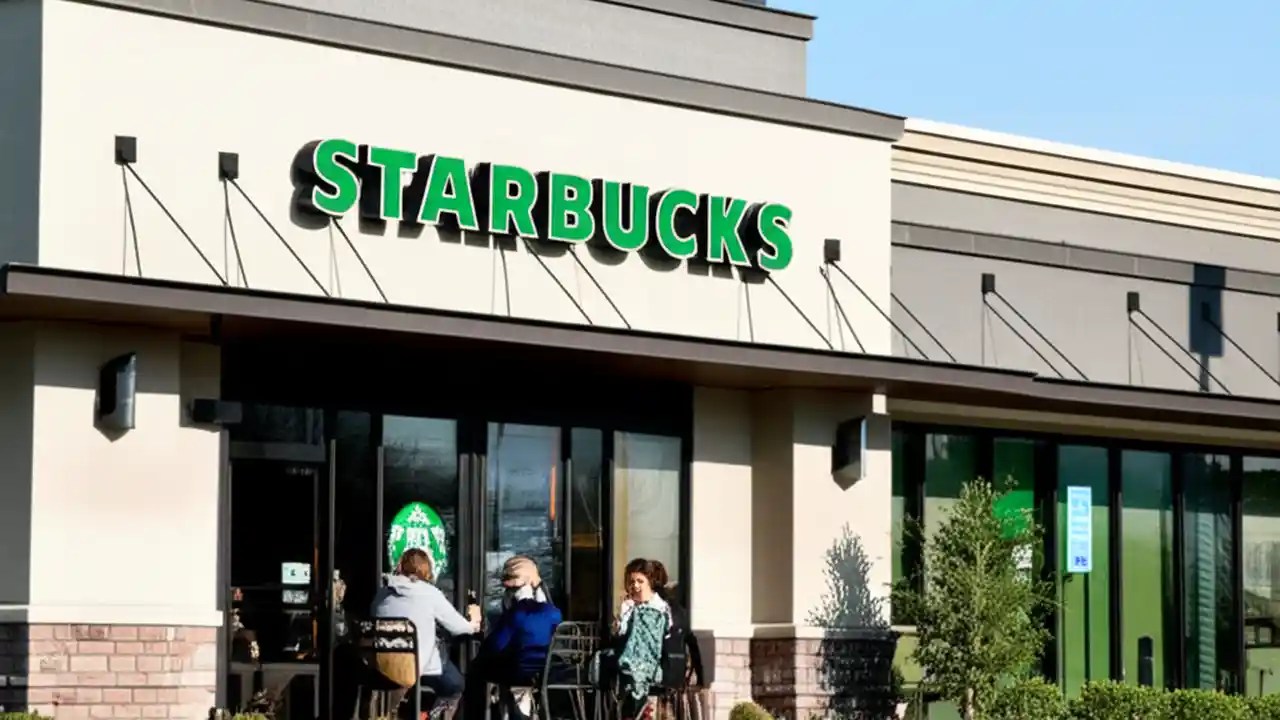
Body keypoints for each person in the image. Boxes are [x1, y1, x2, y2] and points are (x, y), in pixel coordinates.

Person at [370, 548, 481, 719]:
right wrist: (474, 622)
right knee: (455, 685)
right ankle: (434, 716)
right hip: (419, 668)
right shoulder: (430, 593)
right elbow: (458, 627)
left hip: (383, 666)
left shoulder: (383, 592)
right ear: (426, 570)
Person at [463, 555, 562, 720]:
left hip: (516, 671)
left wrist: (479, 634)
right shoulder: (554, 614)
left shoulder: (515, 614)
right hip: (544, 671)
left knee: (475, 670)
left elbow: (494, 646)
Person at [612, 558, 672, 720]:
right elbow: (620, 632)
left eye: (640, 581)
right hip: (629, 660)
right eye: (632, 581)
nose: (635, 585)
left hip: (650, 661)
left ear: (649, 582)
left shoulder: (660, 608)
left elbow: (665, 636)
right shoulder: (628, 606)